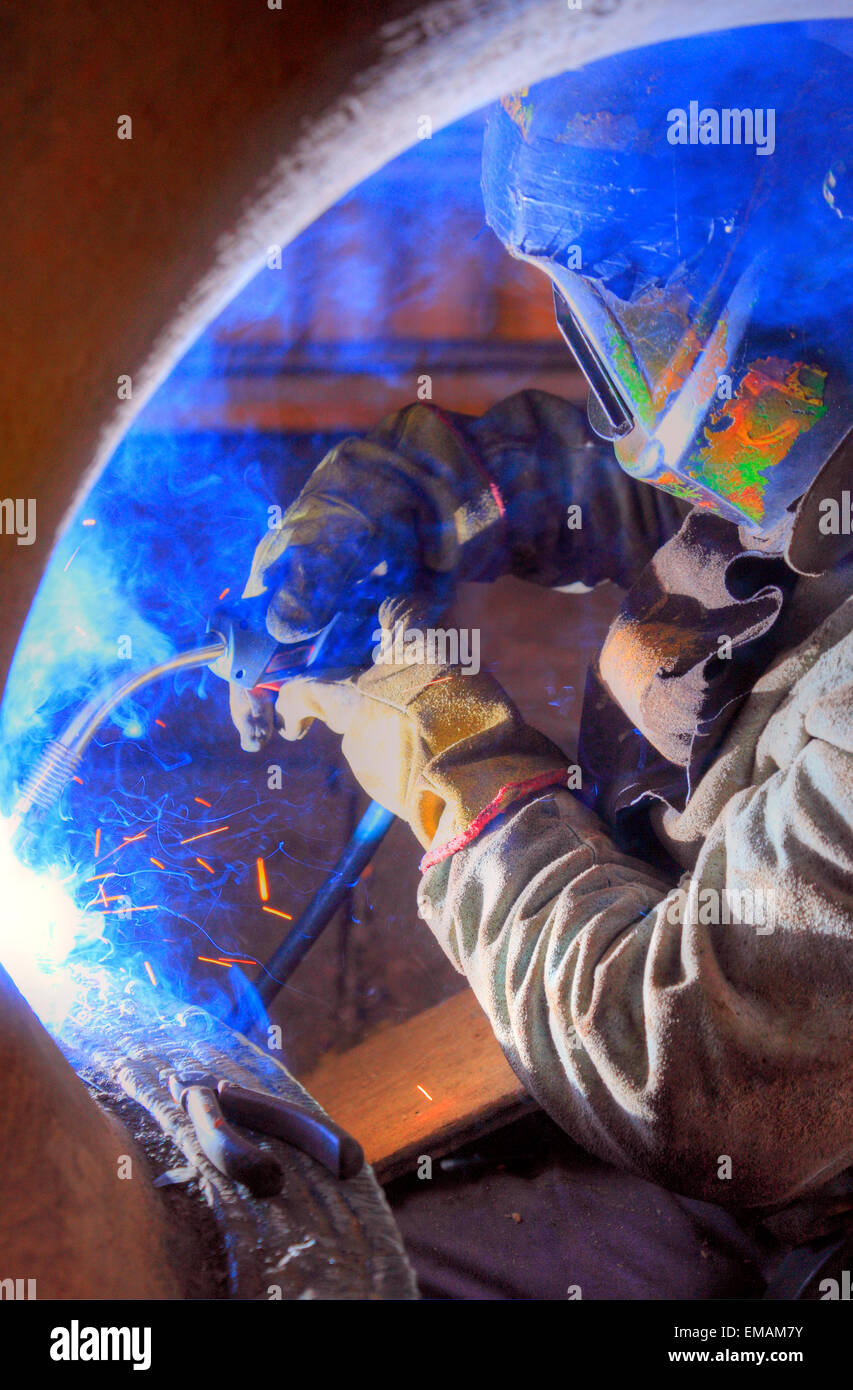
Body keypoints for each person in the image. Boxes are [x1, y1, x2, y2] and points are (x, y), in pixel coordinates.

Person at [229, 24, 853, 1298]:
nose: (640, 381)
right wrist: (419, 489)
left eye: (661, 304)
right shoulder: (811, 433)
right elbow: (647, 487)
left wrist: (444, 743)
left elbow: (686, 1072)